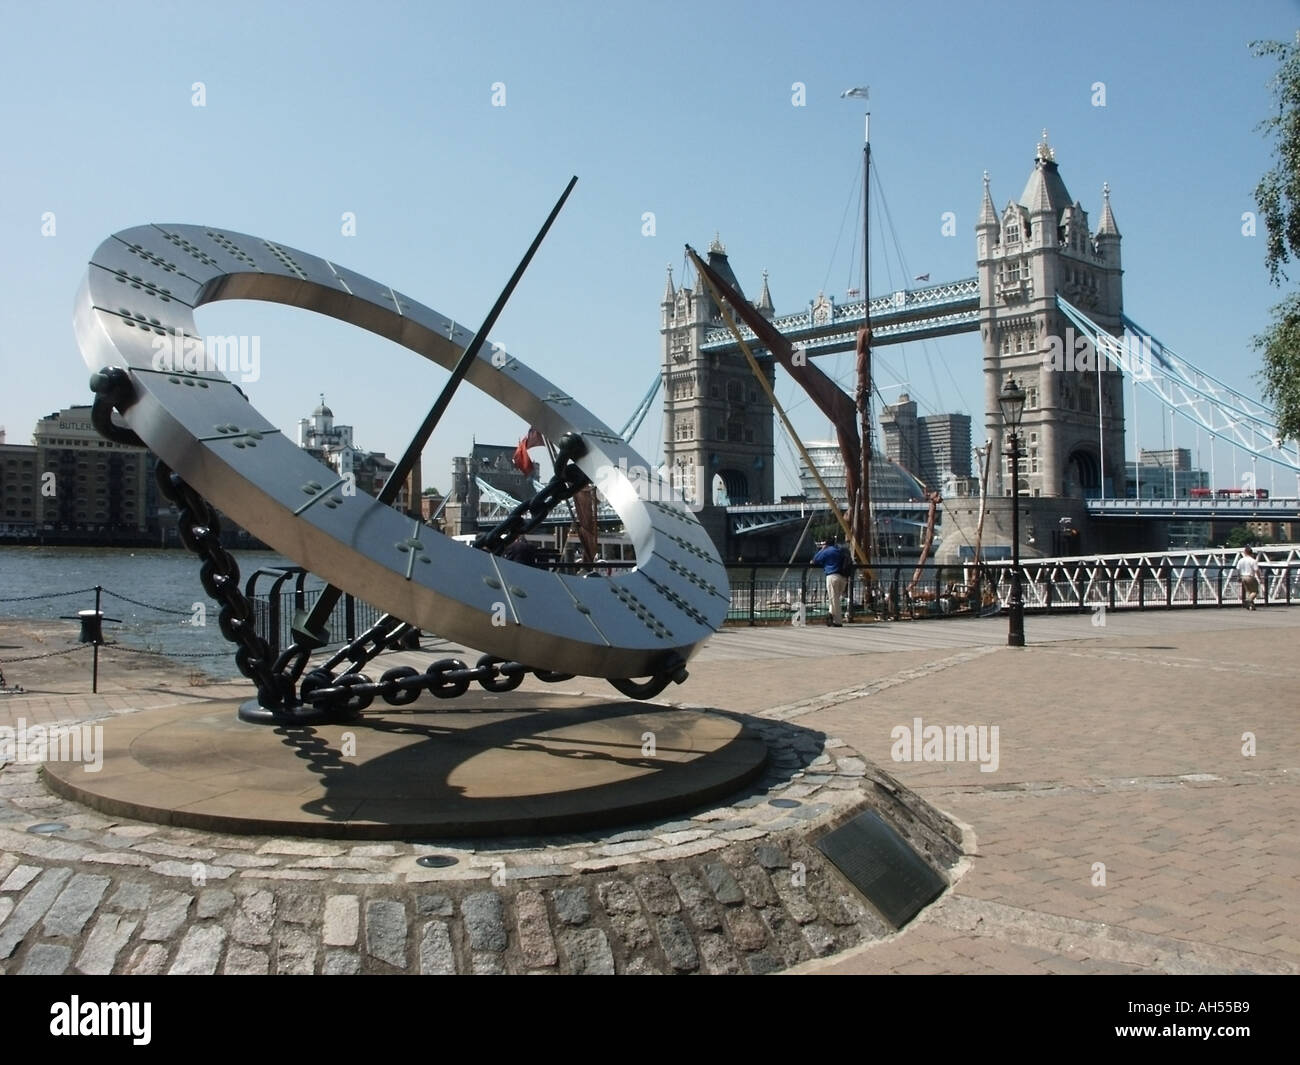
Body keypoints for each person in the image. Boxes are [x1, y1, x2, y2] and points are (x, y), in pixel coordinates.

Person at [810, 536, 849, 626]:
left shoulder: (826, 551)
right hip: (843, 578)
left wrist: (822, 550)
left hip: (832, 576)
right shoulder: (840, 550)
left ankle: (838, 621)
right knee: (835, 599)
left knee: (833, 599)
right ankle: (830, 615)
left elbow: (815, 560)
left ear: (826, 544)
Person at [1235, 545, 1261, 610]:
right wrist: (1259, 578)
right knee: (1255, 592)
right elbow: (1256, 570)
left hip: (1243, 577)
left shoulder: (1241, 560)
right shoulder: (1253, 560)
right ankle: (1248, 601)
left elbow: (1238, 569)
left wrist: (1238, 577)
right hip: (1250, 577)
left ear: (1245, 552)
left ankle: (1251, 606)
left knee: (1249, 592)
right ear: (1251, 553)